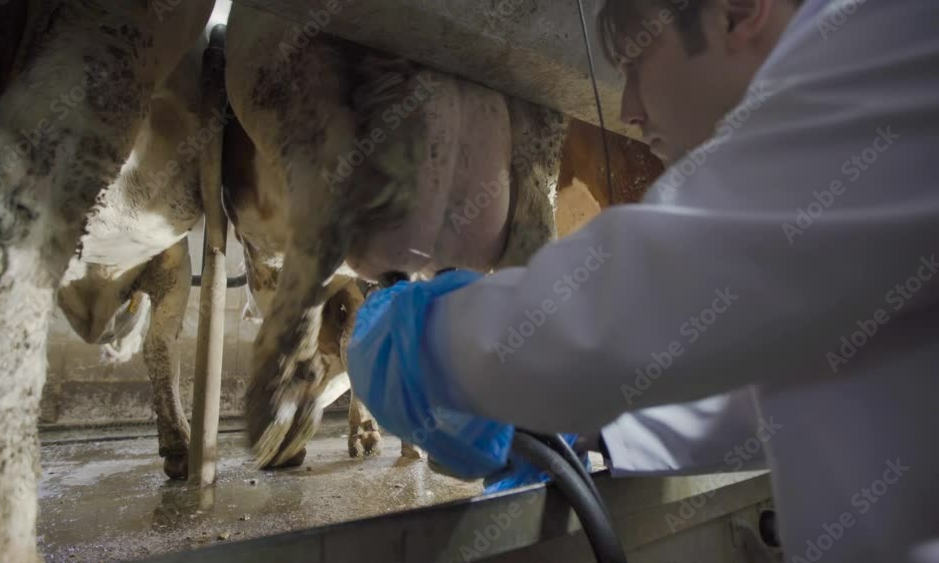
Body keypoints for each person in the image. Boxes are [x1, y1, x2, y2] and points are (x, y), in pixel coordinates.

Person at [346, 0, 939, 561]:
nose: (627, 108)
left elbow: (670, 280)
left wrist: (430, 344)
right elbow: (774, 390)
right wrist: (601, 426)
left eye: (634, 63)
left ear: (737, 12)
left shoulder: (896, 40)